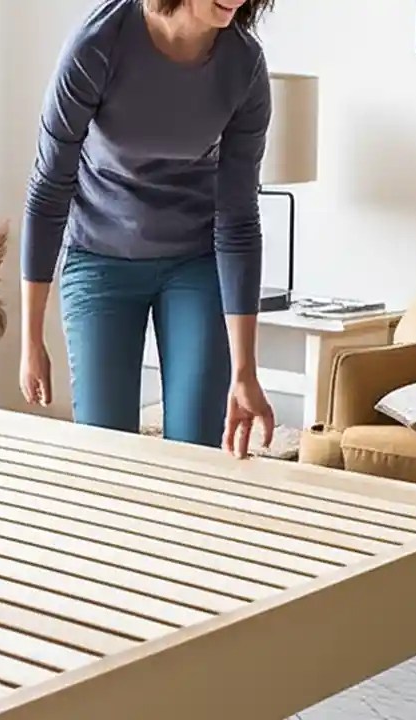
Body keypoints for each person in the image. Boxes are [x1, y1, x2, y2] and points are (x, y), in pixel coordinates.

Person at [19, 0, 277, 459]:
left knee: (196, 451)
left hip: (194, 265)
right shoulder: (97, 44)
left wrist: (245, 370)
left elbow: (237, 218)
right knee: (109, 450)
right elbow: (49, 189)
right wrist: (31, 337)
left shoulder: (244, 66)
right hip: (99, 259)